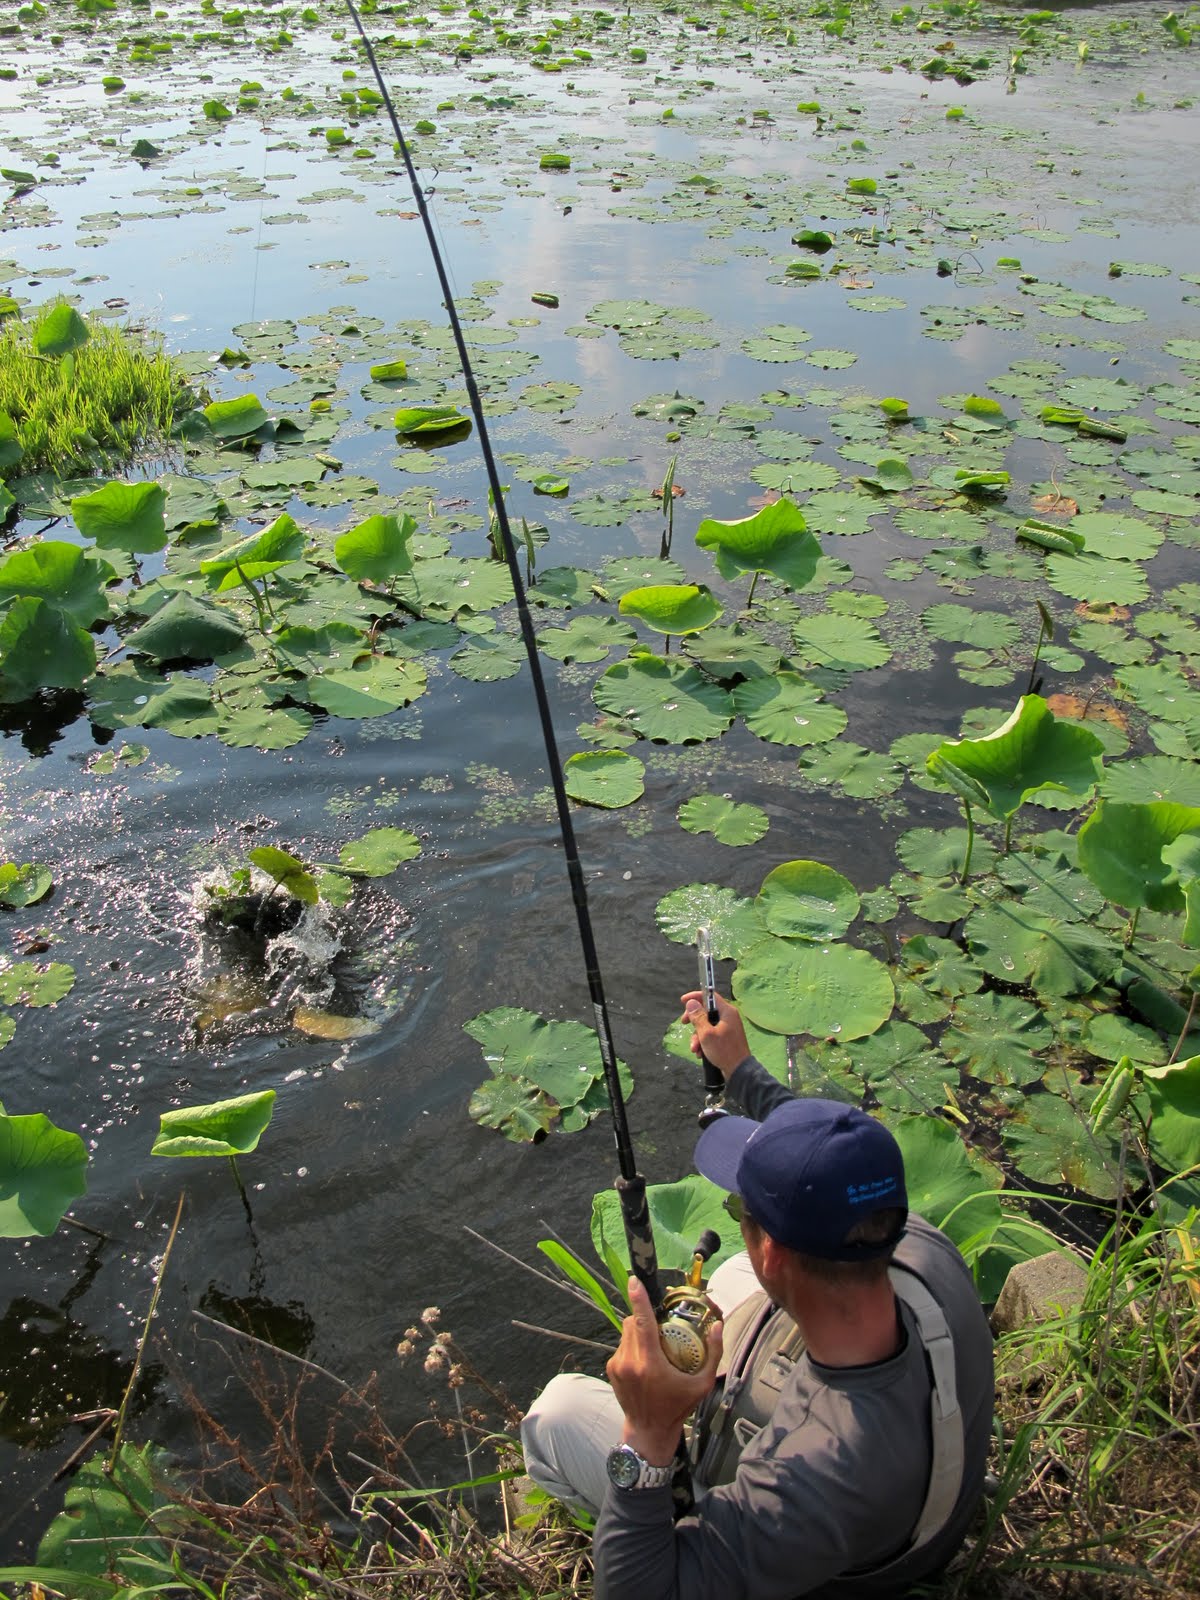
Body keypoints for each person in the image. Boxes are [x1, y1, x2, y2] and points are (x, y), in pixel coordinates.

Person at [521, 991, 995, 1600]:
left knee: (555, 1415)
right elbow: (828, 1156)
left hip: (842, 1541)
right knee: (727, 1281)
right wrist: (741, 1070)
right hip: (895, 1453)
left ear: (773, 1249)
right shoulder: (910, 1239)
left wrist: (649, 1430)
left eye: (742, 1205)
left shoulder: (819, 1472)